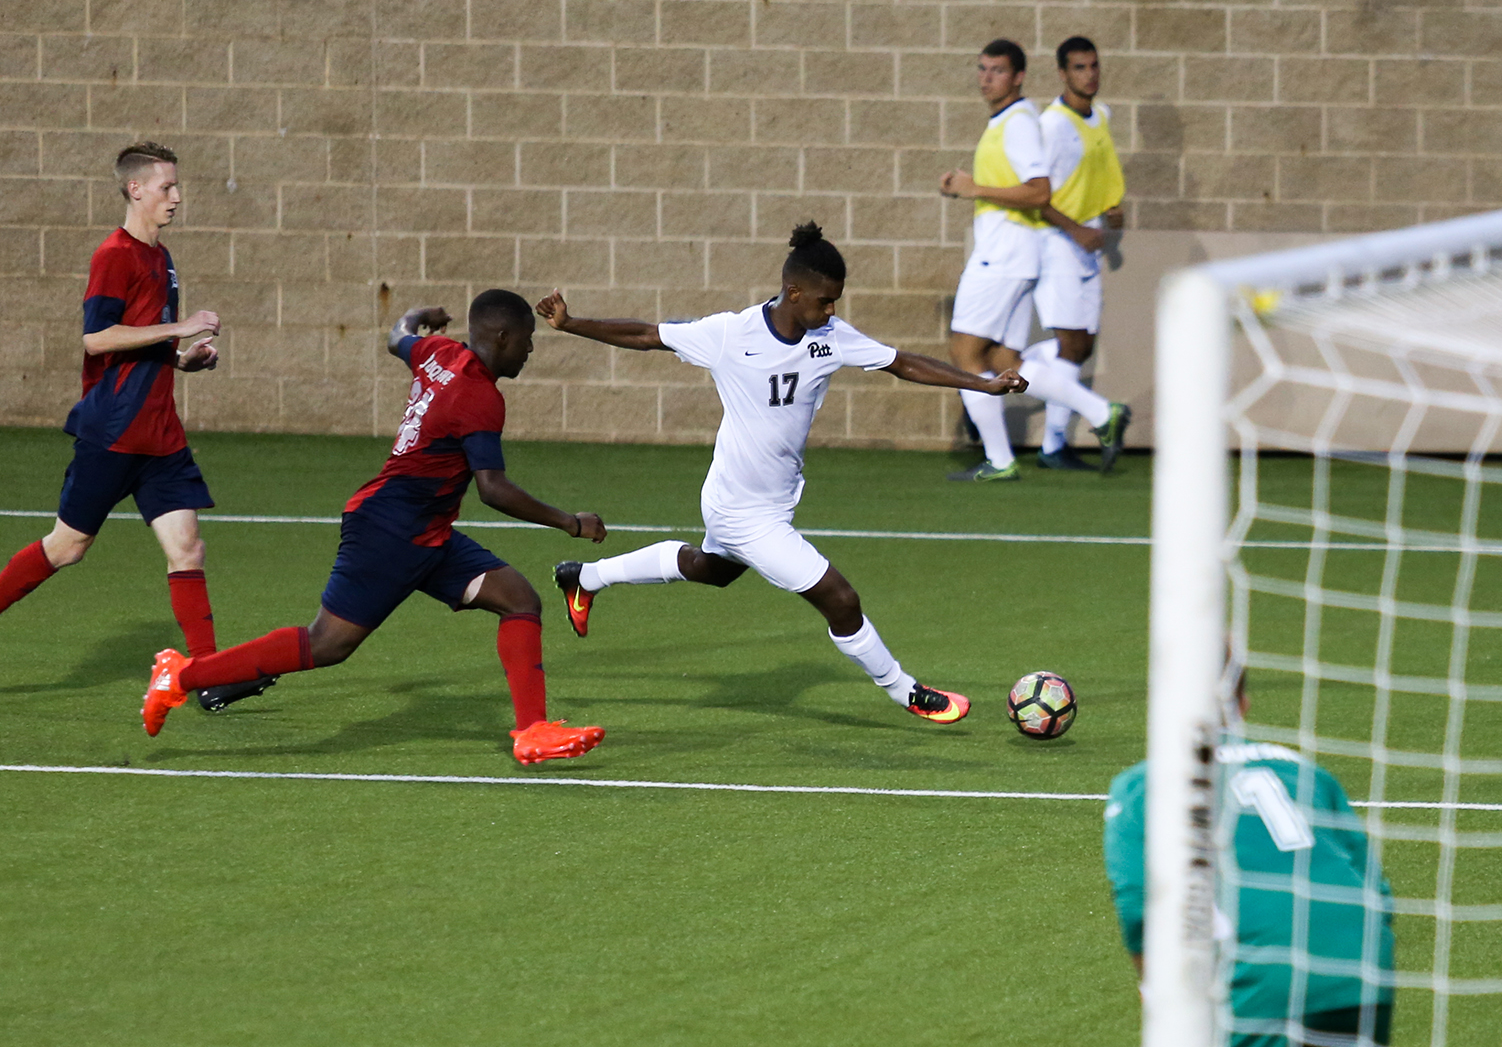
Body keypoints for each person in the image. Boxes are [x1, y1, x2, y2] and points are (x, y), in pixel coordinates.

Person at [540, 222, 1025, 724]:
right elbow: (646, 334)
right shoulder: (731, 334)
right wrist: (572, 323)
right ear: (793, 292)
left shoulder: (830, 337)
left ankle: (585, 578)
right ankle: (906, 691)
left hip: (770, 499)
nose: (831, 310)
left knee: (714, 571)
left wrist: (982, 385)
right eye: (824, 300)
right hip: (740, 510)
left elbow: (903, 364)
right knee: (840, 598)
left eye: (836, 300)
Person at [141, 292, 611, 766]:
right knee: (327, 643)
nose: (529, 351)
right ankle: (179, 677)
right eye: (526, 341)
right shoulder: (480, 397)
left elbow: (398, 338)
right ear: (503, 337)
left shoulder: (438, 352)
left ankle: (532, 732)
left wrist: (417, 317)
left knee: (519, 599)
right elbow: (493, 489)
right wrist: (570, 523)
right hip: (391, 530)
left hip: (424, 531)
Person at [0, 142, 224, 657]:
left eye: (176, 187)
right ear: (135, 188)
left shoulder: (161, 257)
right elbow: (97, 339)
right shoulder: (114, 255)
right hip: (115, 432)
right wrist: (180, 326)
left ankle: (209, 675)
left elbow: (142, 340)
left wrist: (181, 358)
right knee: (68, 547)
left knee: (187, 549)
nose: (177, 197)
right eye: (167, 187)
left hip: (161, 437)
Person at [1103, 667, 1396, 1047]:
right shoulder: (1305, 770)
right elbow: (1375, 887)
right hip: (1361, 966)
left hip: (1263, 976)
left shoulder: (1145, 785)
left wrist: (1154, 990)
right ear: (1243, 702)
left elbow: (1136, 902)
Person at [938, 37, 1050, 482]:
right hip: (1016, 254)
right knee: (1007, 362)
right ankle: (1100, 409)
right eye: (982, 69)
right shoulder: (1006, 120)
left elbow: (1040, 191)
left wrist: (974, 189)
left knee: (964, 351)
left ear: (1019, 76)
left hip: (1003, 253)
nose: (987, 78)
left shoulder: (1019, 122)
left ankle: (1000, 459)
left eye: (997, 70)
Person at [1022, 36, 1132, 473]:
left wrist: (1112, 210)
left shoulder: (1101, 115)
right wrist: (1074, 230)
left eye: (1094, 66)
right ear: (1063, 73)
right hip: (1058, 242)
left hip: (1089, 242)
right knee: (1070, 342)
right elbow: (1035, 194)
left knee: (1080, 347)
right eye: (1080, 67)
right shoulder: (1051, 125)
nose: (1090, 74)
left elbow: (1098, 177)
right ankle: (985, 380)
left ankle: (1052, 445)